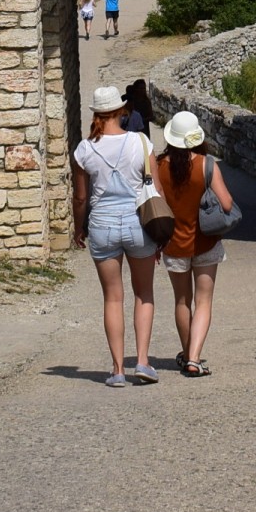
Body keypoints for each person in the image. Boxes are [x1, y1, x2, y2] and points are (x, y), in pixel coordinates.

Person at [71, 85, 161, 386]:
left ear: (96, 113)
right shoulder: (141, 142)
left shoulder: (85, 149)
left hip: (102, 224)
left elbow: (81, 198)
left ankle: (117, 369)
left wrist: (78, 229)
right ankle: (144, 362)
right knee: (143, 294)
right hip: (137, 222)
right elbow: (156, 191)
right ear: (122, 110)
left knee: (112, 297)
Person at [153, 110, 236, 377]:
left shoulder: (158, 165)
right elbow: (226, 204)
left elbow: (157, 204)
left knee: (181, 301)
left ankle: (187, 352)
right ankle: (194, 358)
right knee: (204, 302)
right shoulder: (206, 164)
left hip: (173, 243)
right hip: (205, 242)